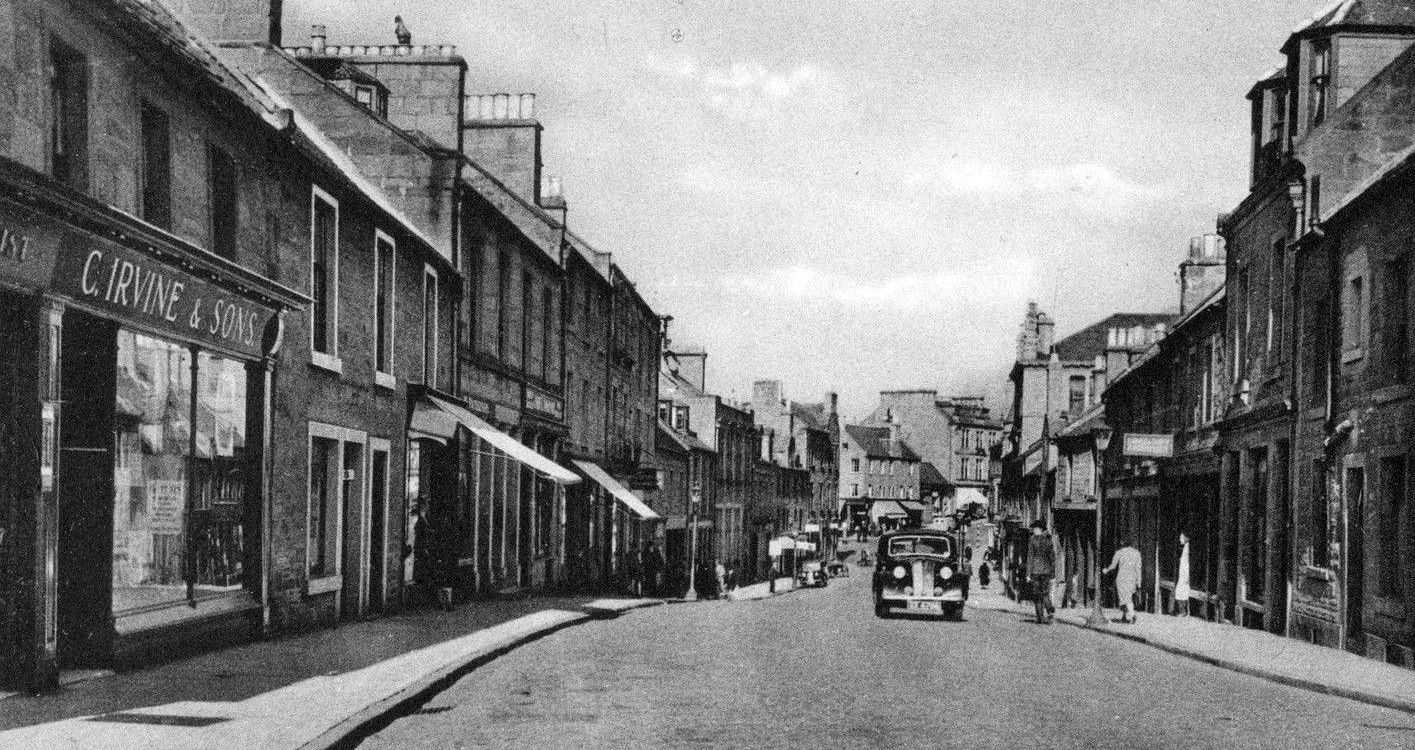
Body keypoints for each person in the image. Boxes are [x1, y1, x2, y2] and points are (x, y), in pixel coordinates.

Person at [1103, 539, 1143, 624]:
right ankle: (1124, 616)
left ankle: (1132, 615)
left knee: (1124, 598)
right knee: (1128, 597)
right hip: (1132, 578)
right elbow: (1138, 569)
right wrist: (1139, 582)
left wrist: (1106, 570)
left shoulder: (1119, 552)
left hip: (1122, 578)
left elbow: (1113, 566)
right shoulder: (1137, 553)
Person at [1025, 520, 1057, 624]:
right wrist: (1053, 574)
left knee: (1037, 595)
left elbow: (1030, 557)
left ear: (1039, 529)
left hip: (1035, 571)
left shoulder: (1032, 540)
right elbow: (1052, 558)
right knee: (1045, 593)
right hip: (1046, 572)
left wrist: (1028, 574)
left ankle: (1040, 618)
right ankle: (1050, 609)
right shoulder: (1049, 541)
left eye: (1035, 529)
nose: (1033, 530)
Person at [1174, 532, 1192, 617]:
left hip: (1185, 575)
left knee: (1181, 591)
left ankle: (1183, 611)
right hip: (1183, 574)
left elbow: (1187, 563)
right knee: (1180, 591)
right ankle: (1183, 611)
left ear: (1186, 538)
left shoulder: (1188, 547)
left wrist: (1186, 576)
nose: (1180, 539)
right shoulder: (1185, 547)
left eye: (1181, 538)